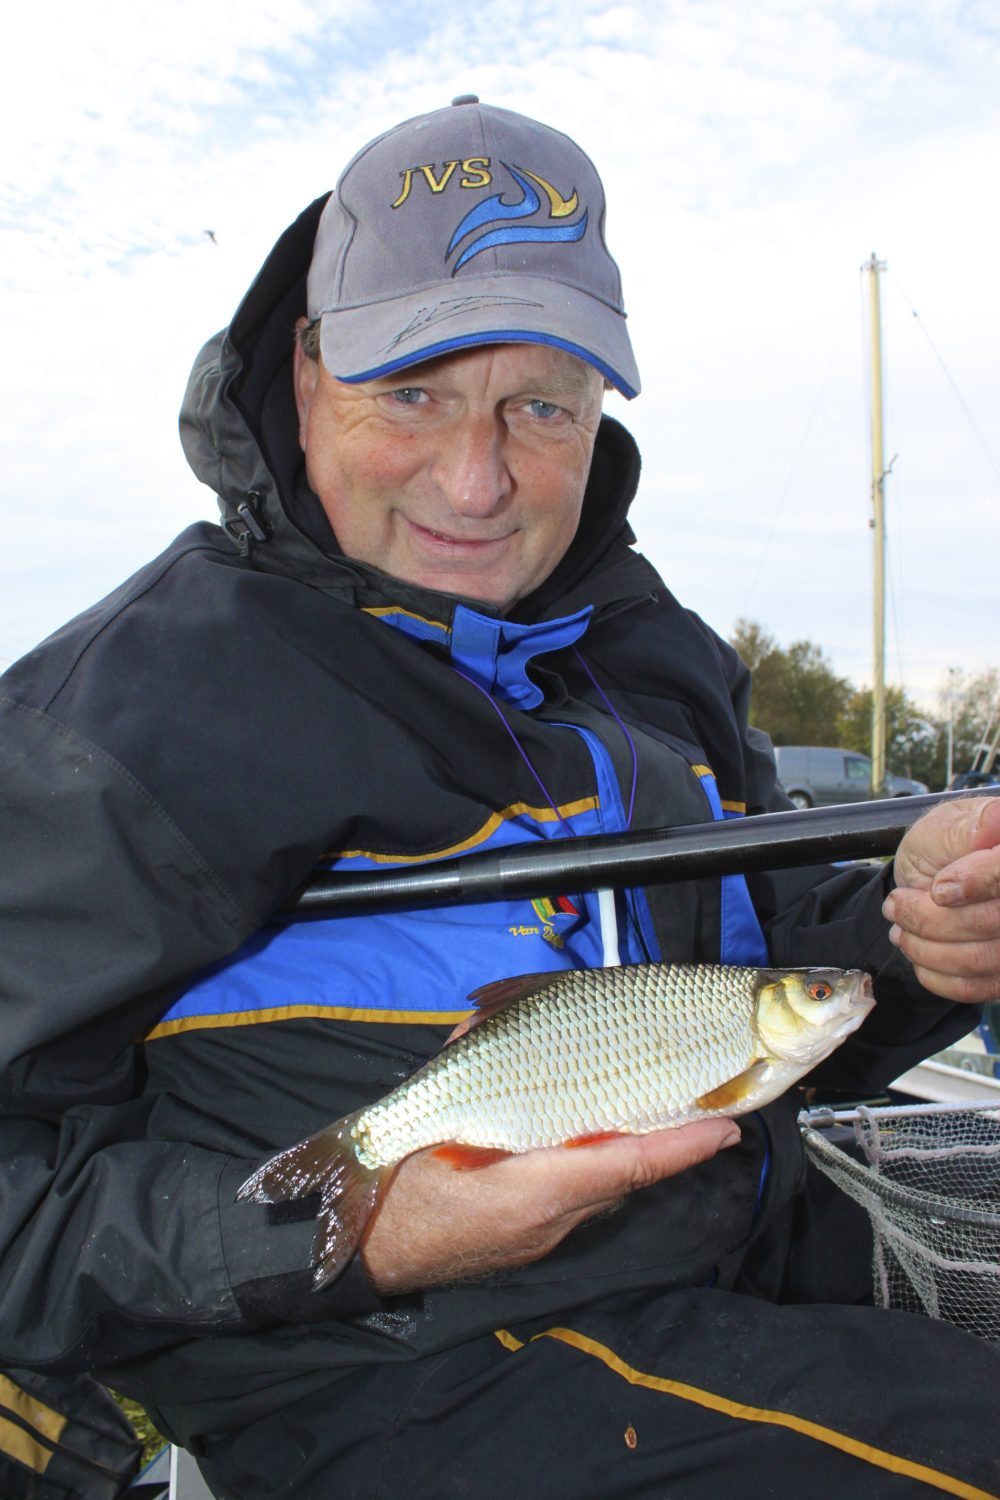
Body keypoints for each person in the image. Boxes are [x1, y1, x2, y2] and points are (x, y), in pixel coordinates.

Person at [1, 97, 999, 1500]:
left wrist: (928, 936)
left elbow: (771, 994)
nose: (477, 482)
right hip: (398, 1376)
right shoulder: (112, 726)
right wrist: (377, 1235)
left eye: (541, 405)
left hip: (746, 1246)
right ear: (302, 377)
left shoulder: (656, 656)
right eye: (412, 393)